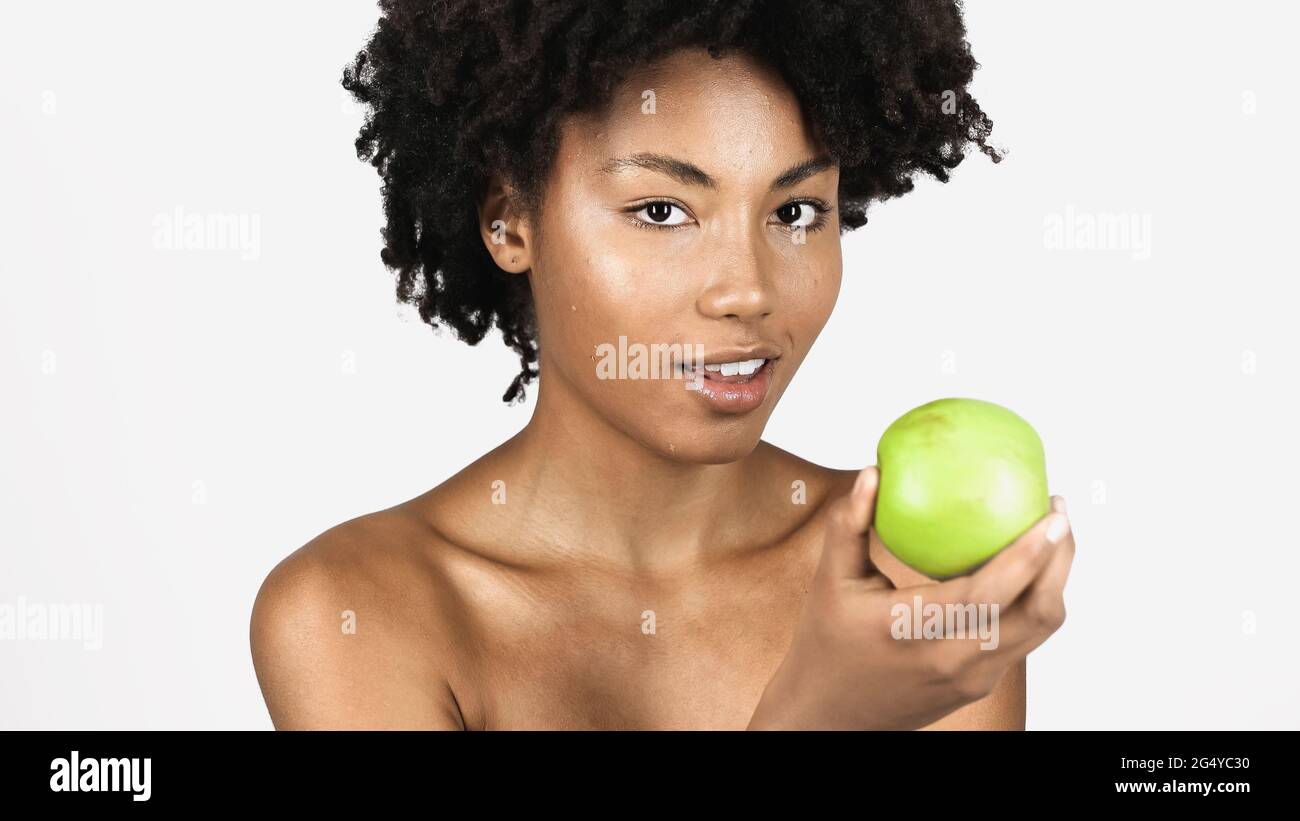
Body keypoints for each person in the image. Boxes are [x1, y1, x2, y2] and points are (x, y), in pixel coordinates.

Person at [250, 0, 1074, 730]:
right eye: (662, 210)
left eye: (794, 211)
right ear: (509, 223)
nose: (747, 290)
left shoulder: (915, 589)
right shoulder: (357, 609)